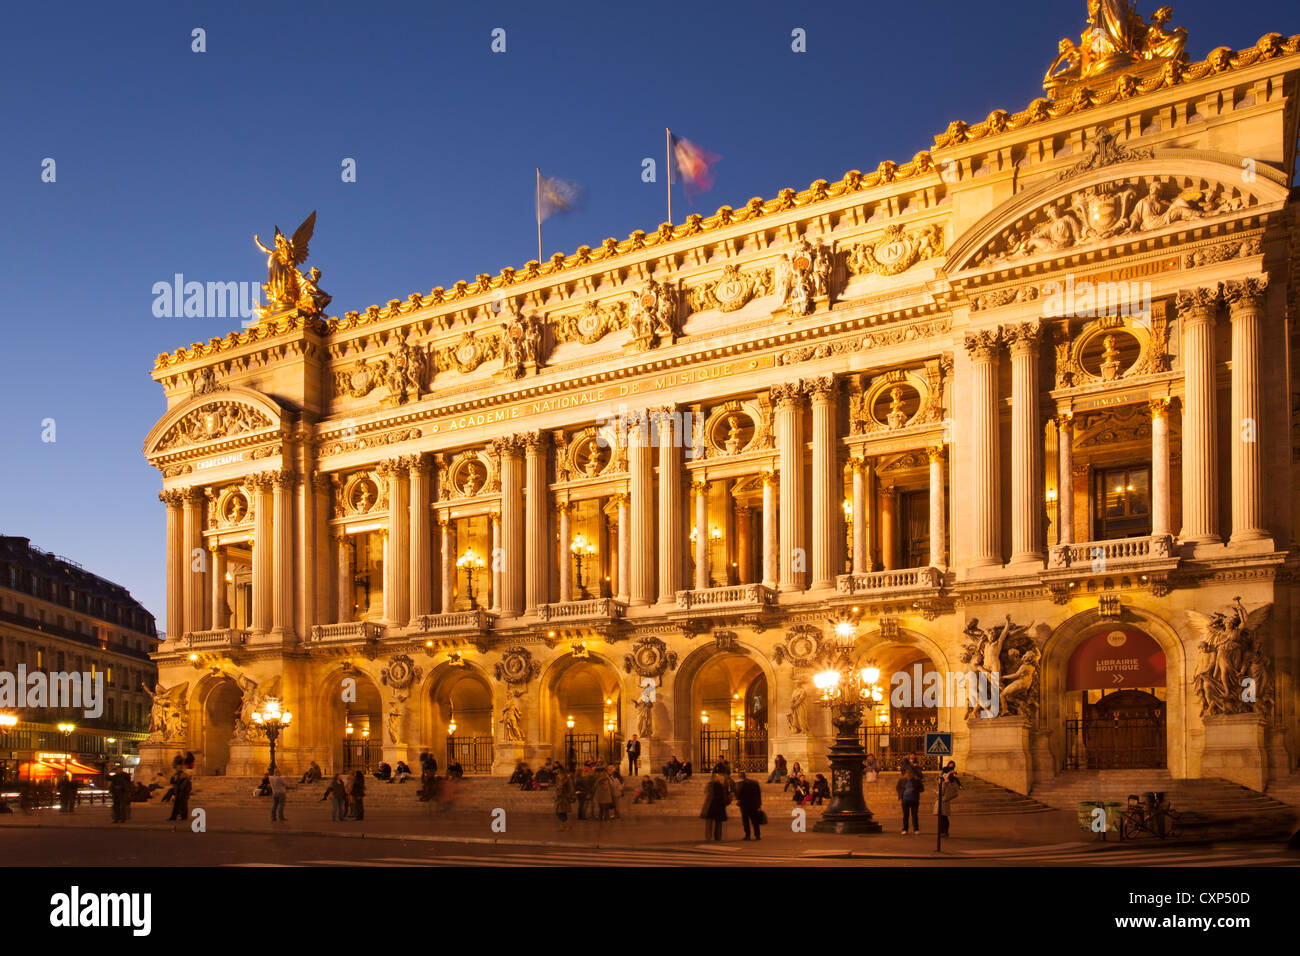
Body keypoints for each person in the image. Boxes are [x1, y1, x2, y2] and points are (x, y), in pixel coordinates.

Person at [700, 772, 730, 841]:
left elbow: (707, 793)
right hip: (719, 805)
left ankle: (708, 836)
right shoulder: (721, 785)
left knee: (709, 822)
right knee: (718, 822)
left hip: (711, 805)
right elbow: (723, 796)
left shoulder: (710, 785)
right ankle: (718, 837)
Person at [735, 772, 763, 841]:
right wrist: (759, 804)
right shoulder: (755, 783)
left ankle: (747, 835)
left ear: (740, 777)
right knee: (755, 821)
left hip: (744, 805)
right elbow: (758, 794)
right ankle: (757, 835)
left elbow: (738, 794)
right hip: (754, 805)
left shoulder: (740, 784)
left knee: (746, 821)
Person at [935, 761, 961, 837]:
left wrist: (937, 792)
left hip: (944, 801)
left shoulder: (947, 783)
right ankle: (942, 832)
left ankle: (944, 832)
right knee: (942, 817)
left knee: (943, 817)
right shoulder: (943, 780)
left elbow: (943, 792)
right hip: (942, 800)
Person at [897, 766, 924, 835]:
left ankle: (916, 829)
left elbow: (921, 789)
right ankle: (905, 829)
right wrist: (901, 795)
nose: (909, 774)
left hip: (914, 799)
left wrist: (914, 789)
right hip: (905, 800)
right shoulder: (902, 780)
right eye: (908, 773)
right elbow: (898, 788)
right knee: (905, 815)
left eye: (910, 773)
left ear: (913, 774)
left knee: (914, 815)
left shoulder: (917, 780)